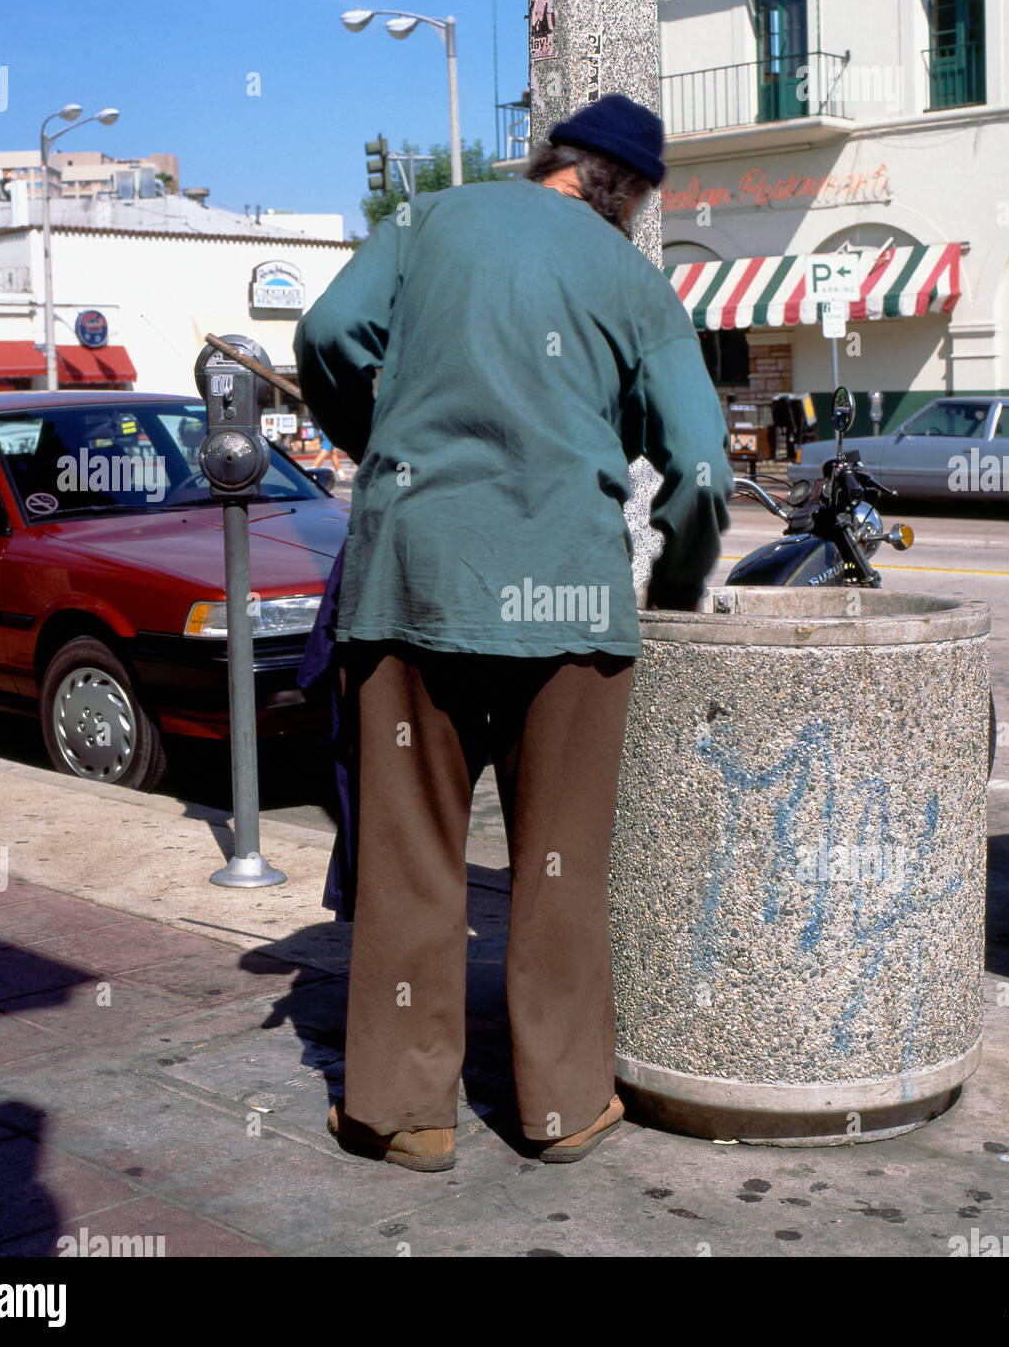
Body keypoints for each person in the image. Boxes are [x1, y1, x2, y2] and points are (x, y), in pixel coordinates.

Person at [294, 93, 734, 1173]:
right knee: (556, 863)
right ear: (617, 192)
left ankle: (404, 1113)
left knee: (409, 857)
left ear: (548, 162)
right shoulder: (634, 281)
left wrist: (379, 443)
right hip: (572, 598)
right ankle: (562, 1107)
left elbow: (322, 334)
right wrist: (673, 580)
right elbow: (705, 466)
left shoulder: (426, 221)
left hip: (415, 581)